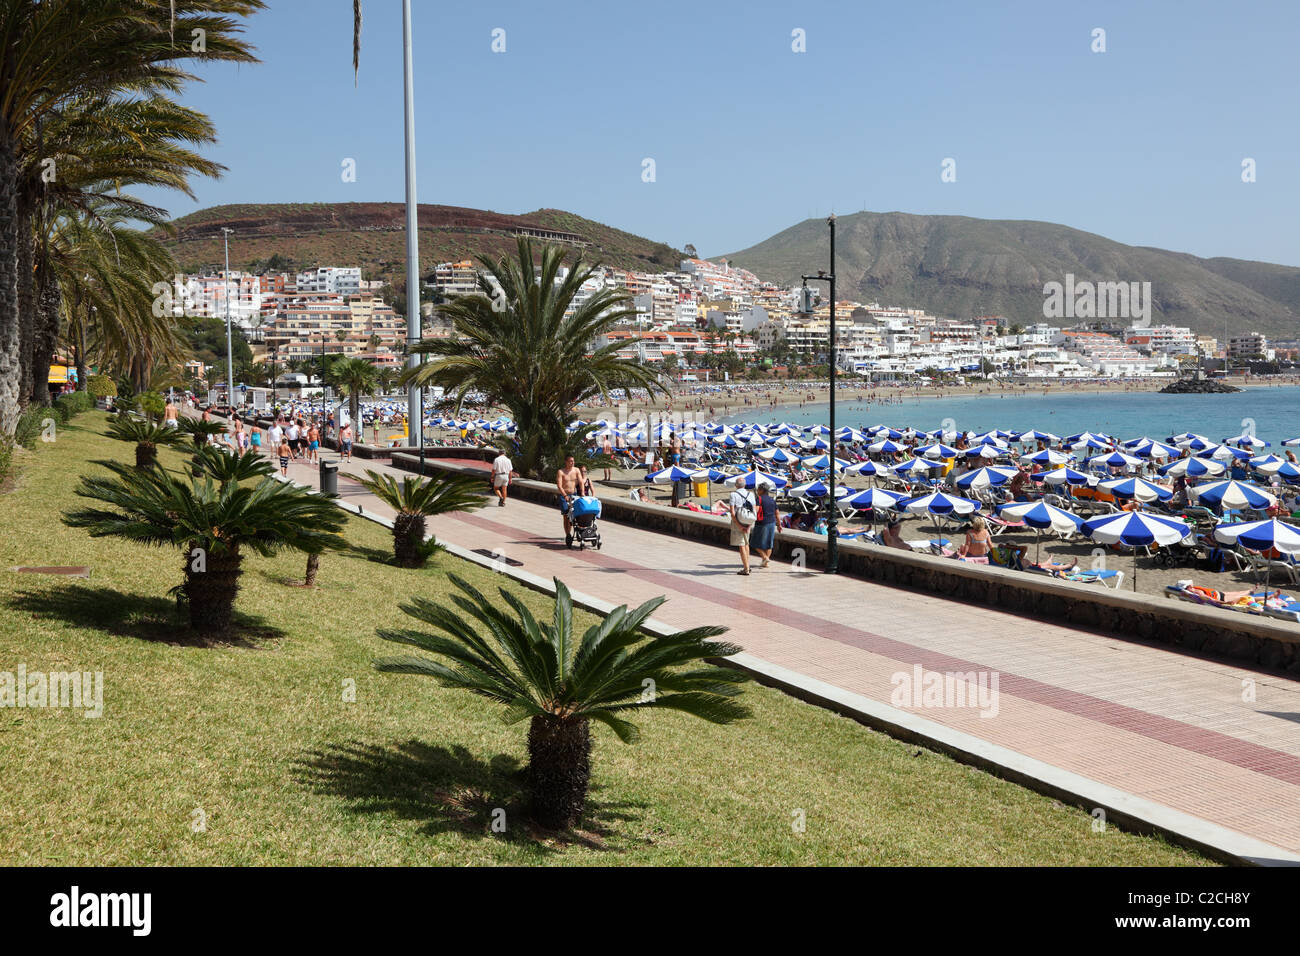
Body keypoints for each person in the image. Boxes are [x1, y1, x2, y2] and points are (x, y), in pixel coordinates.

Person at [728, 476, 756, 575]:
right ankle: (747, 565)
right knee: (746, 544)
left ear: (736, 485)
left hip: (738, 521)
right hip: (748, 520)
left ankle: (746, 568)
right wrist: (749, 525)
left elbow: (732, 512)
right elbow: (754, 510)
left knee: (741, 545)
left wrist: (739, 526)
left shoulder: (733, 494)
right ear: (745, 485)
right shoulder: (751, 494)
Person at [749, 481, 778, 568]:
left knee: (754, 543)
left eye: (758, 489)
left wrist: (750, 518)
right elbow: (777, 513)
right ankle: (765, 562)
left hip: (762, 523)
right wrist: (779, 525)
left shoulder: (759, 499)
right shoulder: (772, 499)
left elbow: (756, 510)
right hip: (772, 522)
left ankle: (765, 557)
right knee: (769, 543)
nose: (757, 491)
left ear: (761, 490)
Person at [556, 453, 582, 547]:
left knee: (574, 514)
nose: (572, 463)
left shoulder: (576, 470)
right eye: (570, 461)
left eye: (573, 461)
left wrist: (582, 493)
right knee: (566, 515)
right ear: (566, 462)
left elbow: (581, 482)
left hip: (574, 495)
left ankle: (575, 532)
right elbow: (559, 485)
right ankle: (567, 534)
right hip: (564, 496)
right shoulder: (561, 472)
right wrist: (565, 495)